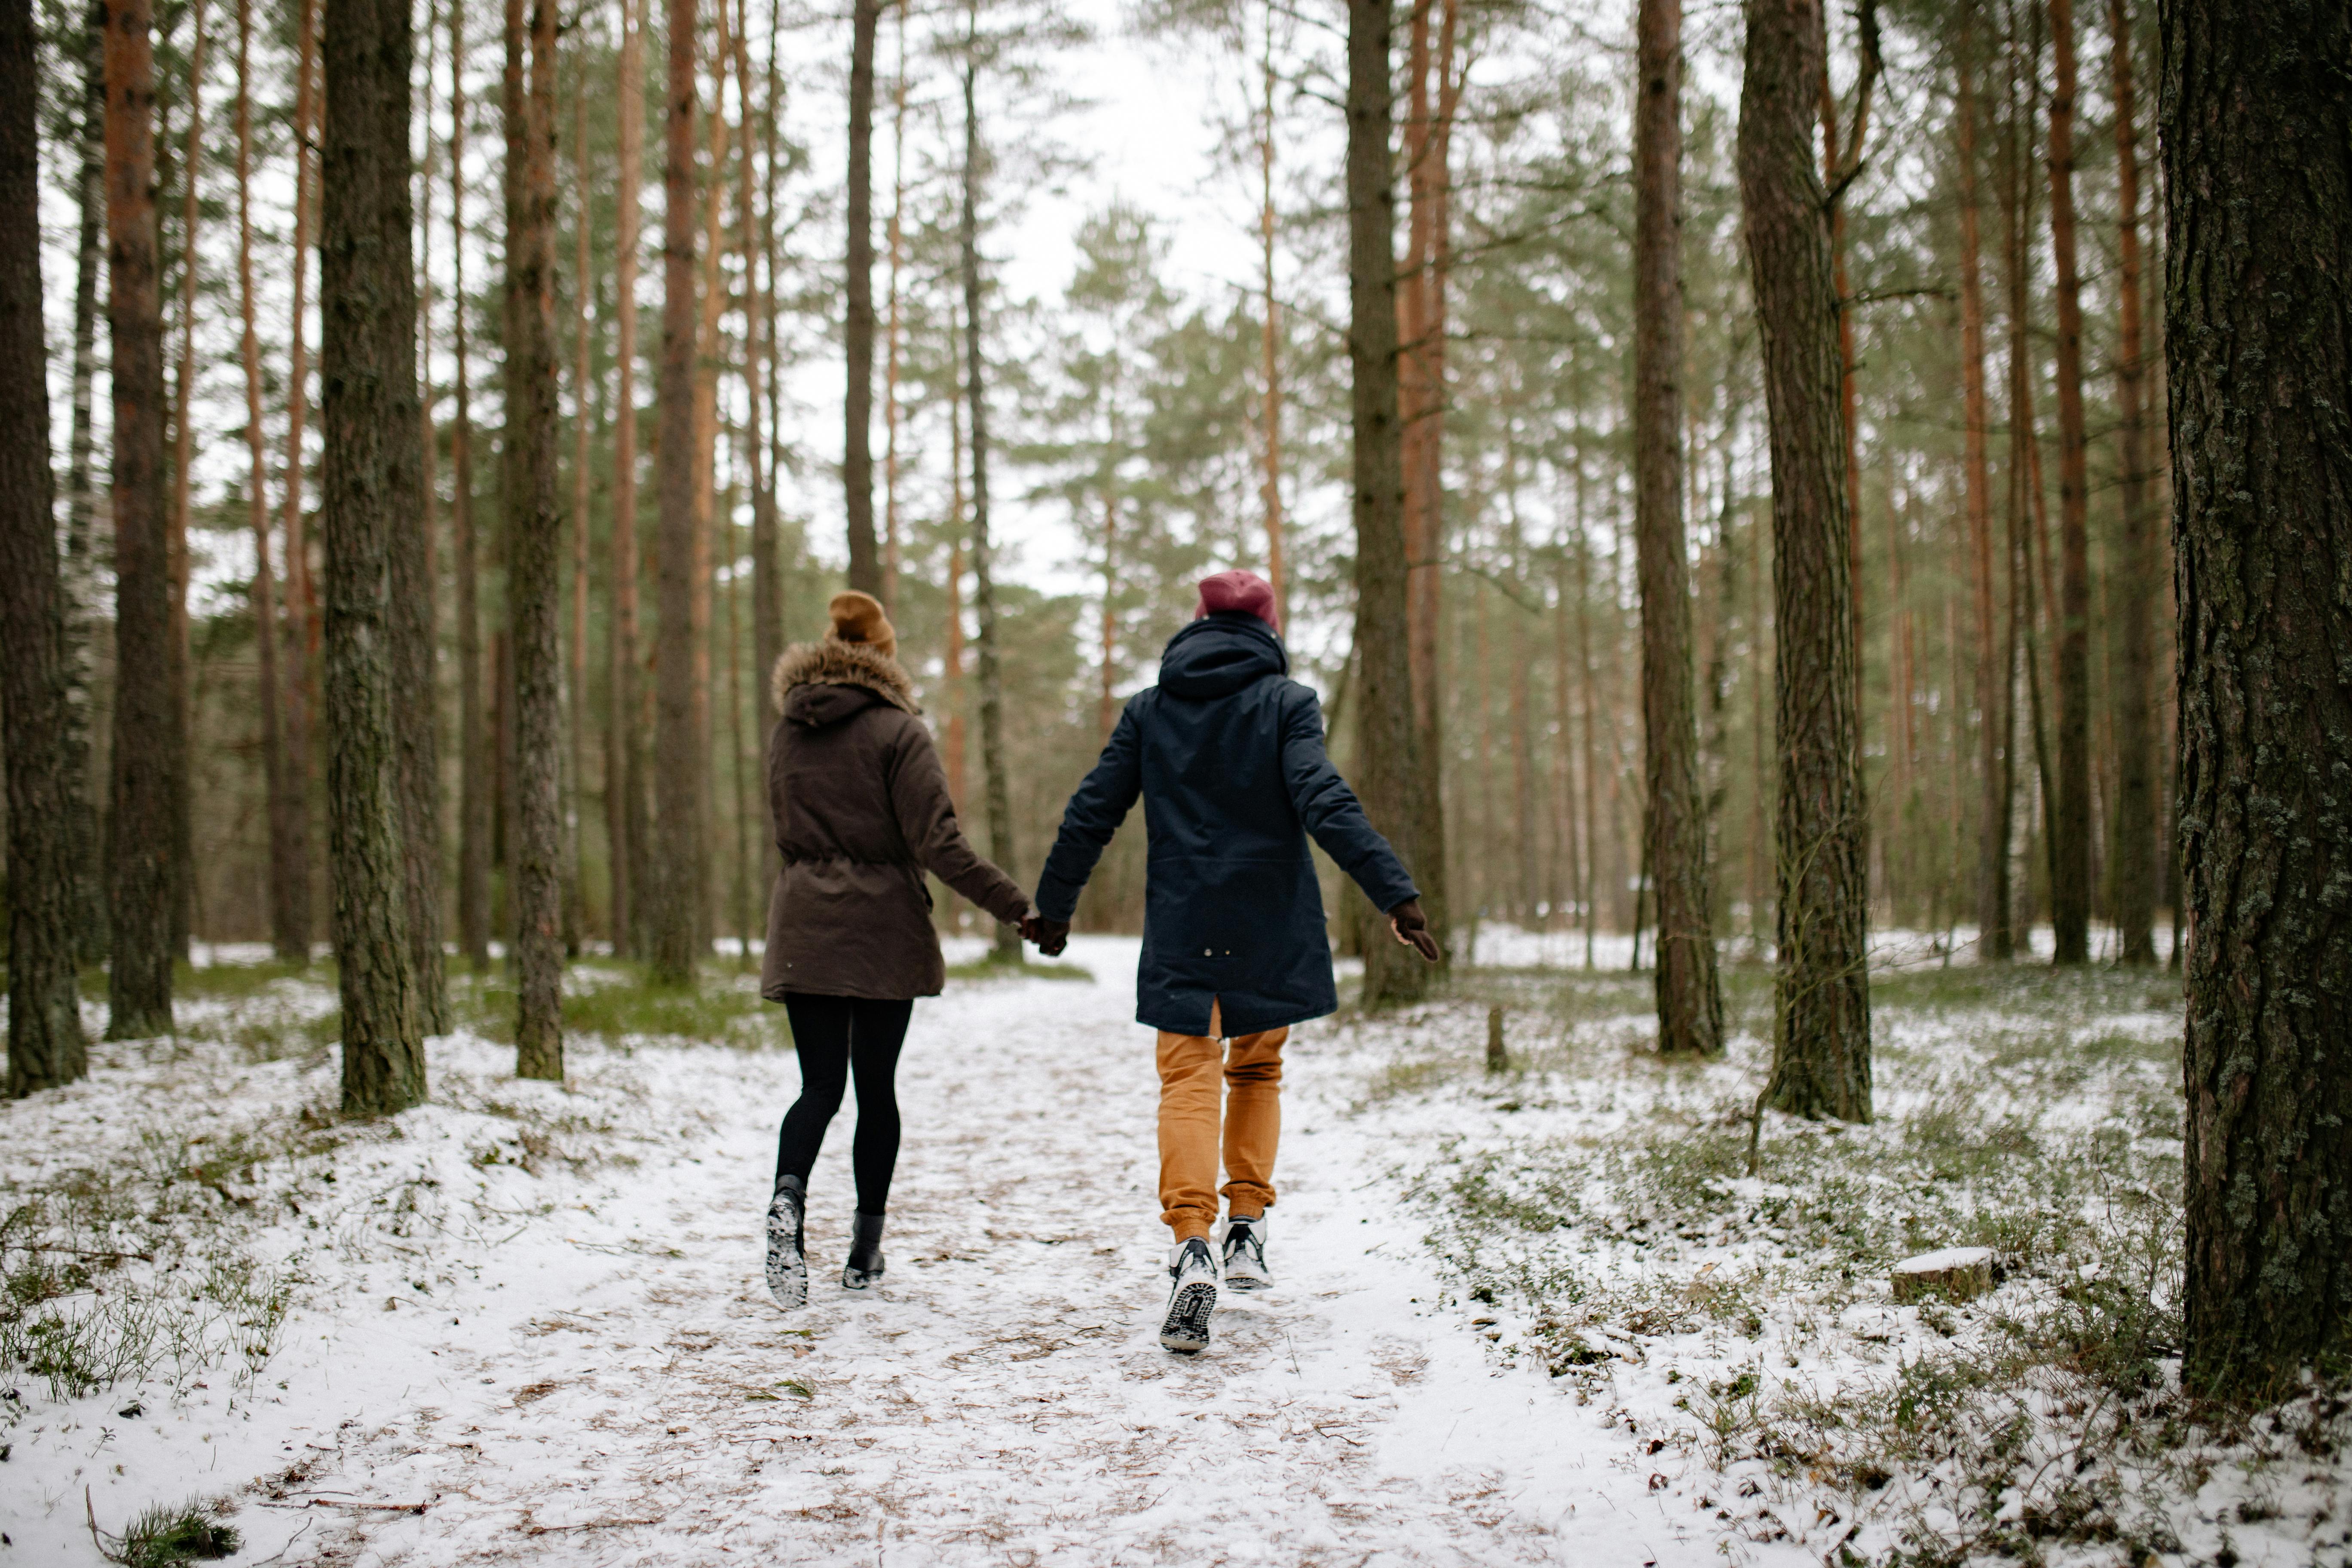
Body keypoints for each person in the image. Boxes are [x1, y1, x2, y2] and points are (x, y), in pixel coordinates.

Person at [1023, 570, 1439, 1354]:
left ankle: (1191, 1244)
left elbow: (1092, 810)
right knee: (1255, 1072)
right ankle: (1246, 1226)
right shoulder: (1288, 703)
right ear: (1269, 625)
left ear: (1198, 622)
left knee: (1187, 1076)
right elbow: (1324, 797)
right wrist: (1395, 893)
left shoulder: (1150, 711)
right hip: (1268, 918)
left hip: (1184, 919)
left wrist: (1054, 907)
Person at [760, 591, 1031, 1310]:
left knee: (819, 1086)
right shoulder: (897, 731)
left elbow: (786, 828)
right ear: (885, 653)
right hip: (881, 933)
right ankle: (863, 1251)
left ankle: (788, 1200)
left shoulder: (787, 730)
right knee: (875, 1090)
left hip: (805, 928)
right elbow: (939, 844)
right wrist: (1020, 910)